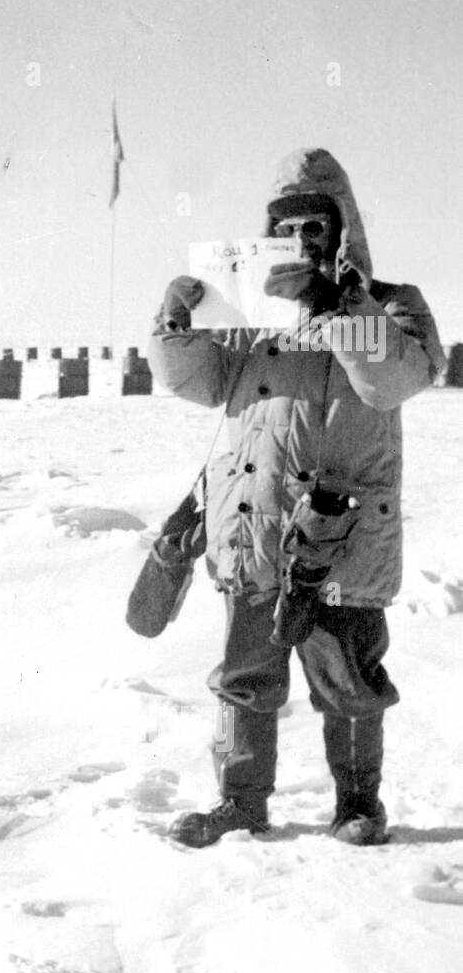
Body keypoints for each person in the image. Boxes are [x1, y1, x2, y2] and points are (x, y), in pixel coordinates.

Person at [149, 147, 444, 849]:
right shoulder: (258, 318)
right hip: (254, 529)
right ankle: (242, 802)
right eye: (289, 229)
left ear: (343, 230)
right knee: (245, 678)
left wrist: (337, 304)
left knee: (347, 680)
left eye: (317, 226)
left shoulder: (390, 305)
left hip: (336, 539)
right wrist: (176, 329)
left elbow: (393, 380)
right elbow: (203, 384)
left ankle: (358, 803)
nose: (304, 241)